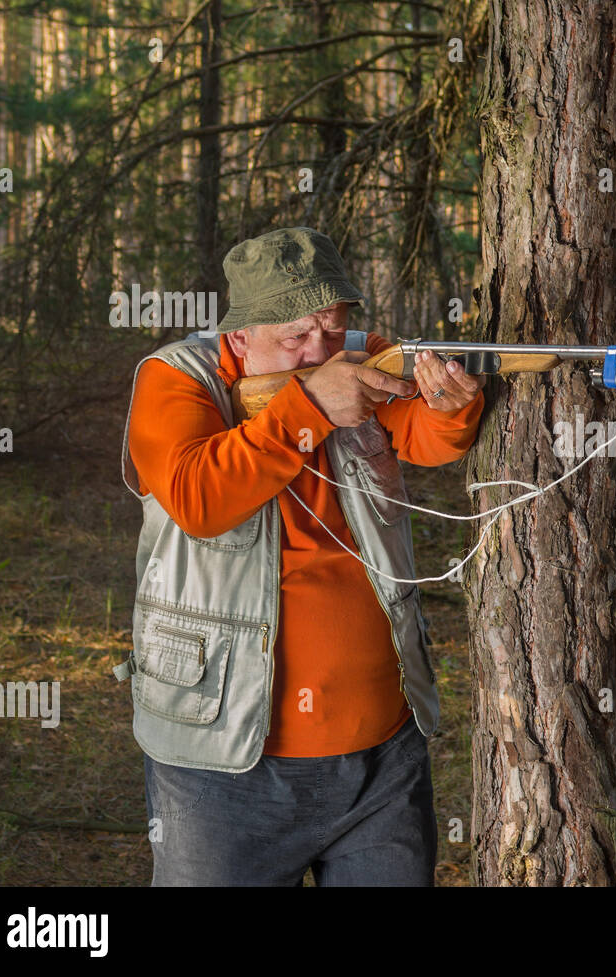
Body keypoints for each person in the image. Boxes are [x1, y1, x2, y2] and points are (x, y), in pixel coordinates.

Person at [114, 226, 483, 885]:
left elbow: (425, 437)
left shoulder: (362, 356)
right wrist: (308, 408)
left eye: (332, 329)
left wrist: (454, 408)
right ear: (239, 334)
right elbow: (200, 497)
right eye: (295, 338)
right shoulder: (173, 379)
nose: (319, 352)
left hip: (382, 755)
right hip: (221, 765)